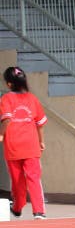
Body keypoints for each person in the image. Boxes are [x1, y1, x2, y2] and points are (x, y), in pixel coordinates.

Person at [0, 67, 47, 220]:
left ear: (9, 84)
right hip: (31, 146)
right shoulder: (32, 99)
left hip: (13, 146)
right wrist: (41, 141)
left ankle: (18, 207)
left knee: (17, 180)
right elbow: (40, 124)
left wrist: (1, 134)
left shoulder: (6, 98)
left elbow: (7, 119)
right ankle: (39, 211)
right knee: (34, 178)